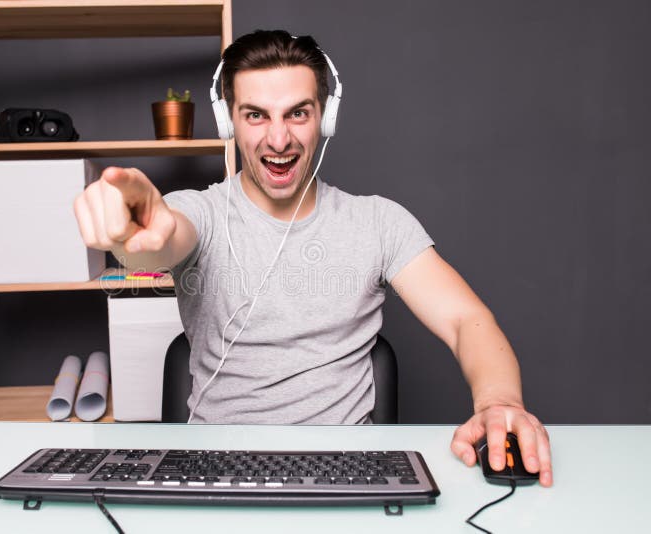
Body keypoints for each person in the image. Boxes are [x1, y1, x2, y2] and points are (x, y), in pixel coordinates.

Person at [74, 30, 553, 487]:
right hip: (215, 469)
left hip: (350, 472)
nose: (278, 140)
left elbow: (465, 319)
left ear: (325, 118)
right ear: (229, 122)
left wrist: (498, 401)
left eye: (297, 114)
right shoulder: (200, 213)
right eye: (256, 115)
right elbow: (165, 235)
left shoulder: (378, 222)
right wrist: (137, 230)